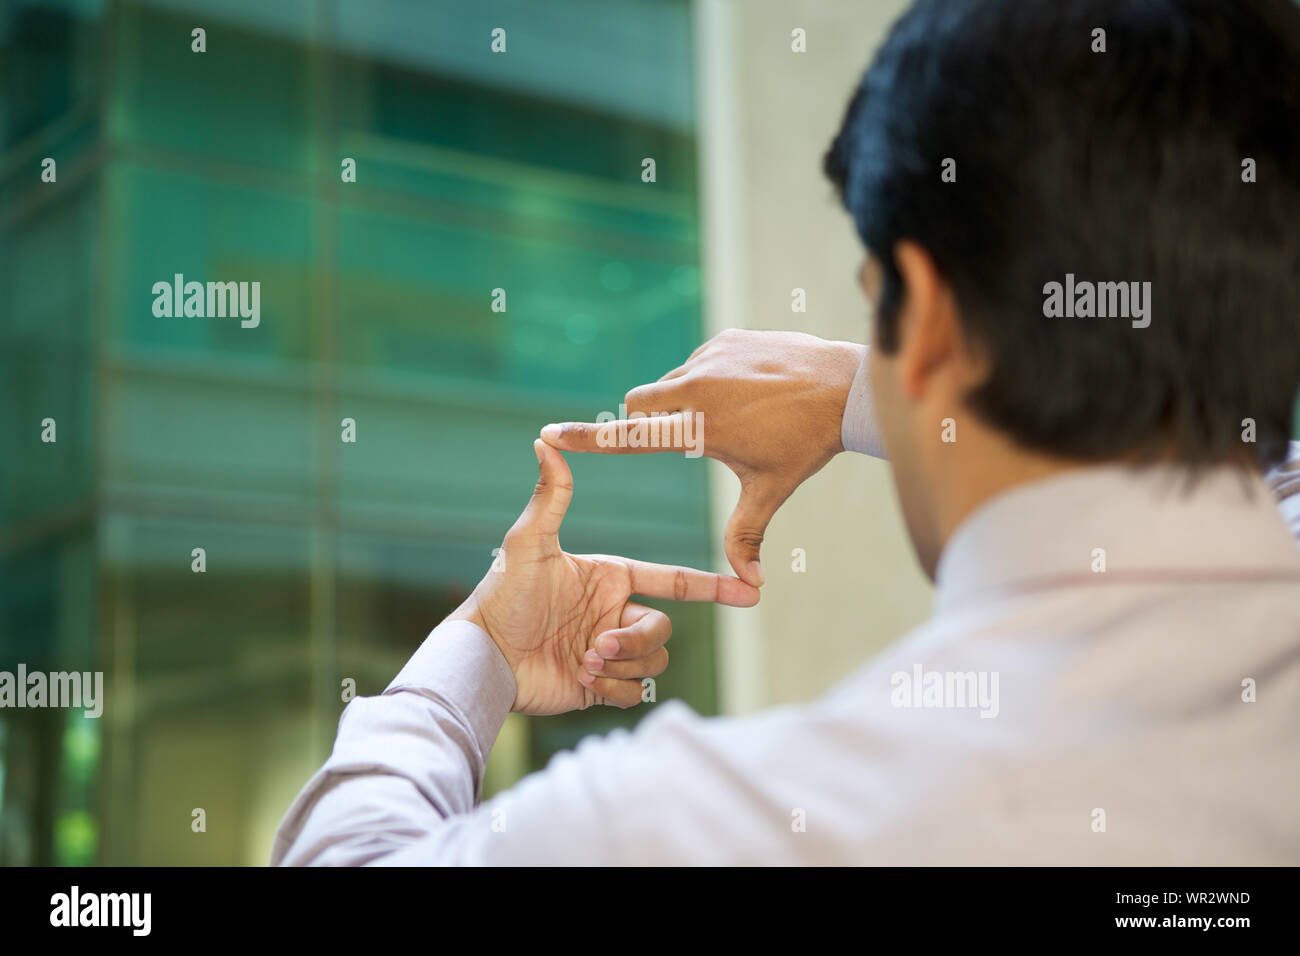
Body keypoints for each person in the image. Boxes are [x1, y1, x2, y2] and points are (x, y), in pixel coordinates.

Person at [272, 0, 1300, 865]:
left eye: (875, 307)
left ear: (930, 321)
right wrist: (873, 386)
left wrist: (483, 646)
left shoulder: (706, 825)